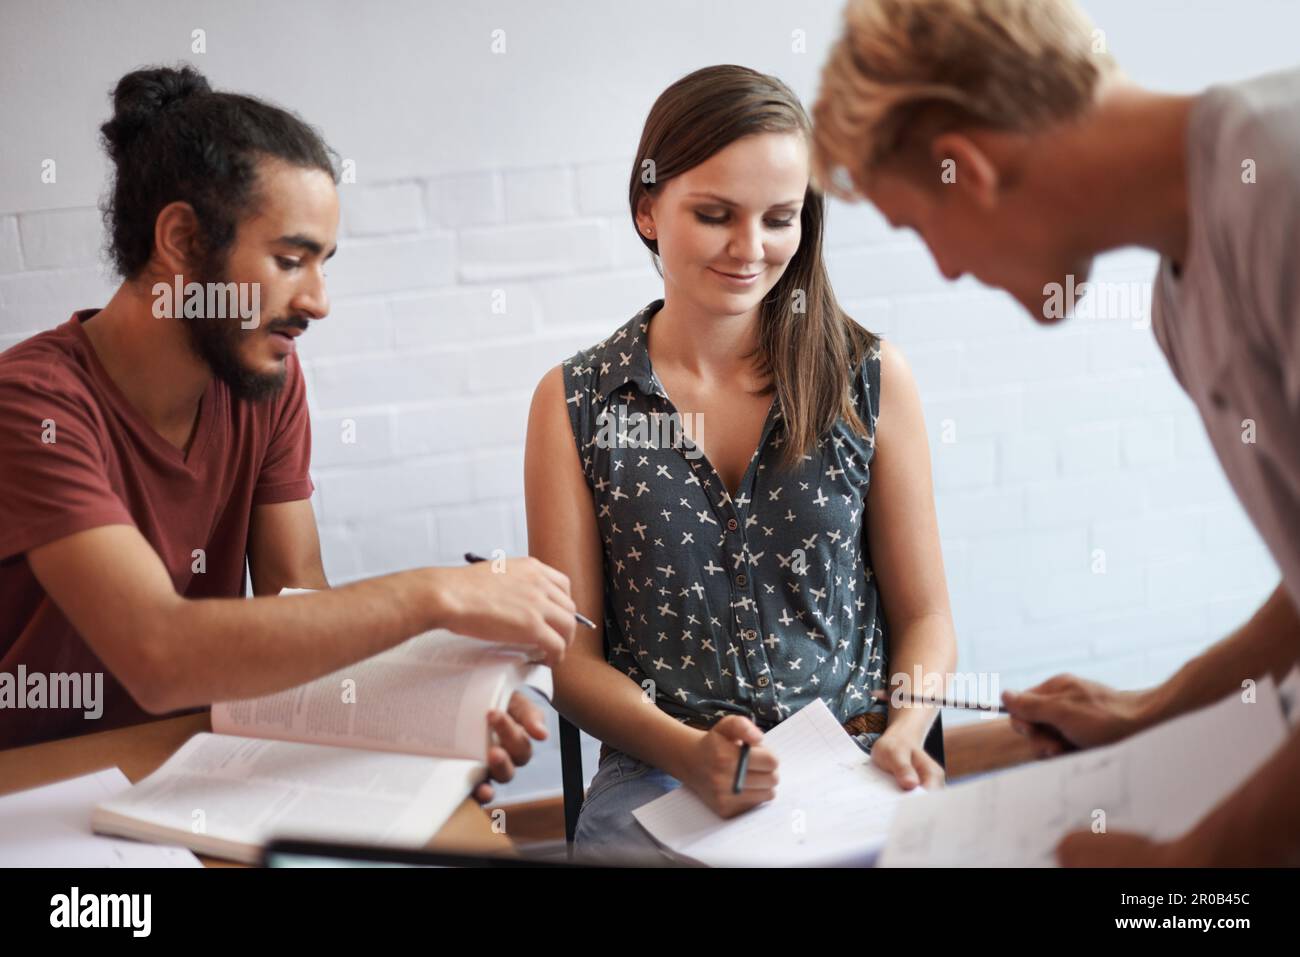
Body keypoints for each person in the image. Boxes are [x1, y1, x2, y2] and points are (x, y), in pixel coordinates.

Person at [0, 66, 575, 803]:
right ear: (179, 238)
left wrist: (425, 716)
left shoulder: (262, 377)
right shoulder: (32, 407)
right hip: (36, 796)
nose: (318, 301)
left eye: (323, 263)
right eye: (289, 259)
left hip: (193, 774)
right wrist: (442, 592)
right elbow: (158, 652)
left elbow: (293, 602)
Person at [811, 0, 1300, 864]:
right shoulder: (1181, 308)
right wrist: (1151, 707)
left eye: (922, 228)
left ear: (968, 168)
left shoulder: (1283, 179)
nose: (950, 269)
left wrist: (1189, 871)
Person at [525, 65, 957, 859]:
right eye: (716, 214)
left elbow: (926, 615)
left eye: (780, 219)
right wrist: (688, 751)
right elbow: (571, 662)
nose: (751, 250)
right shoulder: (574, 402)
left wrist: (906, 729)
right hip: (662, 772)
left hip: (855, 754)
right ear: (647, 209)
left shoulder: (870, 376)